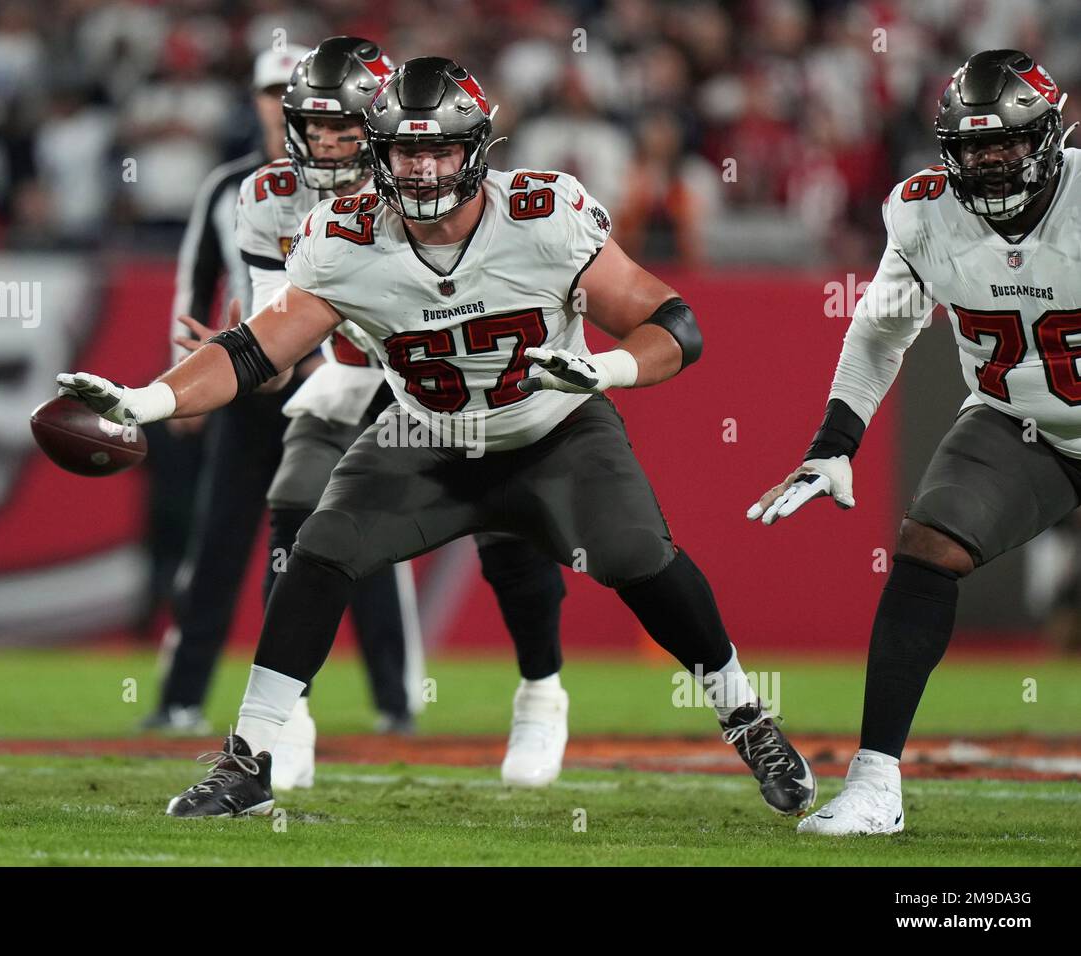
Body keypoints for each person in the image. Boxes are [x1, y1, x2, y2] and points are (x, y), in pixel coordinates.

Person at [58, 57, 815, 820]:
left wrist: (605, 368)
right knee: (321, 550)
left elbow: (675, 325)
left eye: (441, 149)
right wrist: (146, 401)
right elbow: (256, 348)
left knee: (636, 557)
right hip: (425, 437)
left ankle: (748, 719)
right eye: (403, 150)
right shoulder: (344, 236)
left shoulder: (542, 213)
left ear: (476, 150)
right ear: (377, 154)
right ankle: (248, 760)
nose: (421, 168)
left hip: (553, 432)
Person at [173, 36, 572, 789]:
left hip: (452, 373)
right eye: (313, 128)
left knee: (507, 528)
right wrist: (250, 364)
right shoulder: (267, 197)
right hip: (349, 374)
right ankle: (286, 719)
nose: (325, 145)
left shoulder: (428, 182)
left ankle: (540, 689)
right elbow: (277, 336)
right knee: (296, 503)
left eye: (345, 130)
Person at [749, 50, 1077, 835]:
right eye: (971, 145)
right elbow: (880, 332)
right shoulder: (923, 210)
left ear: (1050, 137)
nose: (989, 160)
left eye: (1007, 142)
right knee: (928, 545)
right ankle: (875, 785)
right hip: (1017, 419)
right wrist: (835, 441)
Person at [139, 45, 310, 738]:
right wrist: (181, 381)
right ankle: (182, 698)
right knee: (217, 544)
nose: (279, 106)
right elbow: (194, 285)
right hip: (245, 380)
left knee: (347, 546)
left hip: (332, 383)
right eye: (270, 92)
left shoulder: (360, 185)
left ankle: (390, 702)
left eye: (290, 94)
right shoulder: (231, 186)